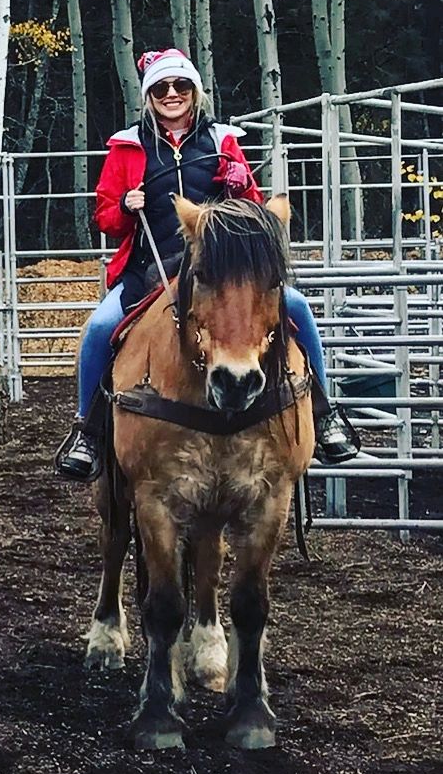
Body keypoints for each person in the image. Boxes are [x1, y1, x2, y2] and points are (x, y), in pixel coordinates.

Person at [56, 47, 361, 479]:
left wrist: (241, 188)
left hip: (222, 270)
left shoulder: (223, 141)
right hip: (152, 269)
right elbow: (104, 217)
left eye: (181, 85)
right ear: (149, 96)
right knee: (101, 329)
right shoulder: (126, 148)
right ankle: (87, 430)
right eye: (161, 87)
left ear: (195, 91)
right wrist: (125, 205)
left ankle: (325, 412)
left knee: (297, 307)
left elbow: (255, 215)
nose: (172, 94)